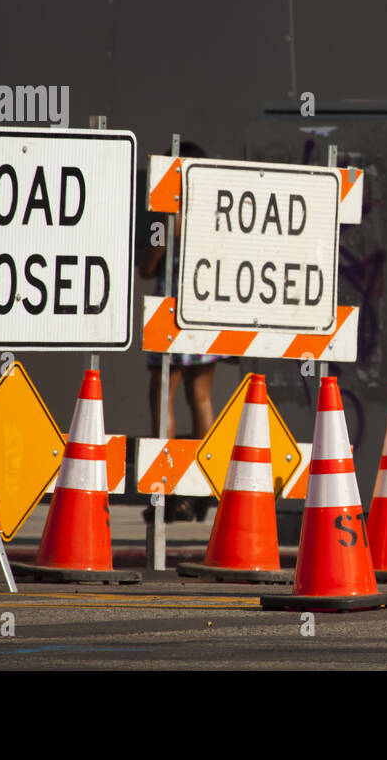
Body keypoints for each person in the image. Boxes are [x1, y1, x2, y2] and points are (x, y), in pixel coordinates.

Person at [141, 141, 224, 522]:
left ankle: (168, 487)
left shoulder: (167, 213)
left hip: (172, 313)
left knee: (162, 397)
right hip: (205, 309)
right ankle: (204, 486)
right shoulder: (215, 213)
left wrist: (154, 253)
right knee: (201, 397)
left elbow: (149, 264)